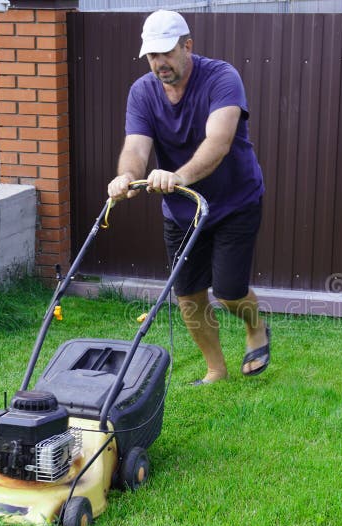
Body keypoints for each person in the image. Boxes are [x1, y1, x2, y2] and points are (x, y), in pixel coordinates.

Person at [107, 10, 269, 385]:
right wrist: (127, 176)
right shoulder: (142, 92)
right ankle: (216, 370)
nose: (159, 63)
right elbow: (136, 147)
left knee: (229, 292)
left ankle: (256, 326)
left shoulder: (222, 78)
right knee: (189, 296)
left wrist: (179, 176)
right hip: (182, 211)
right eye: (152, 55)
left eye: (166, 53)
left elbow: (219, 142)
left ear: (188, 46)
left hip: (235, 202)